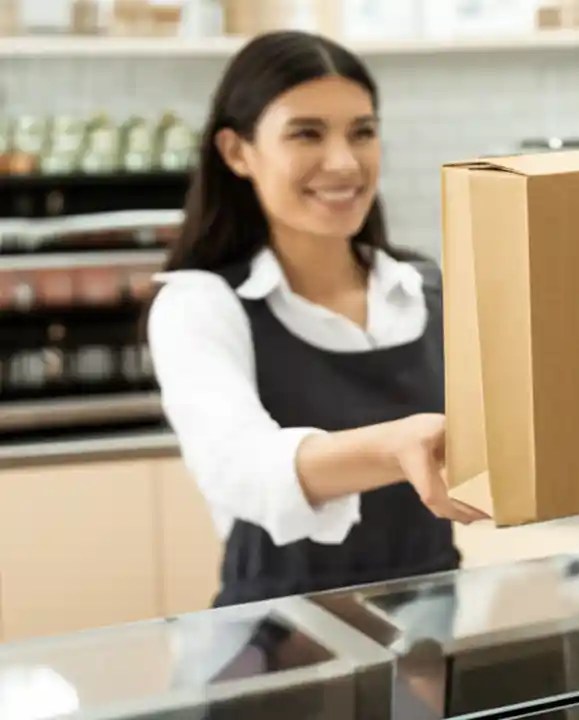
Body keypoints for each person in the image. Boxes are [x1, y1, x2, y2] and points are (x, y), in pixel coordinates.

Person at [148, 31, 488, 608]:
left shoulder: (425, 288)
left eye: (363, 132)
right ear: (236, 152)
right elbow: (241, 468)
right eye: (306, 133)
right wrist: (392, 448)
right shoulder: (199, 305)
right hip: (278, 639)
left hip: (430, 625)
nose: (344, 162)